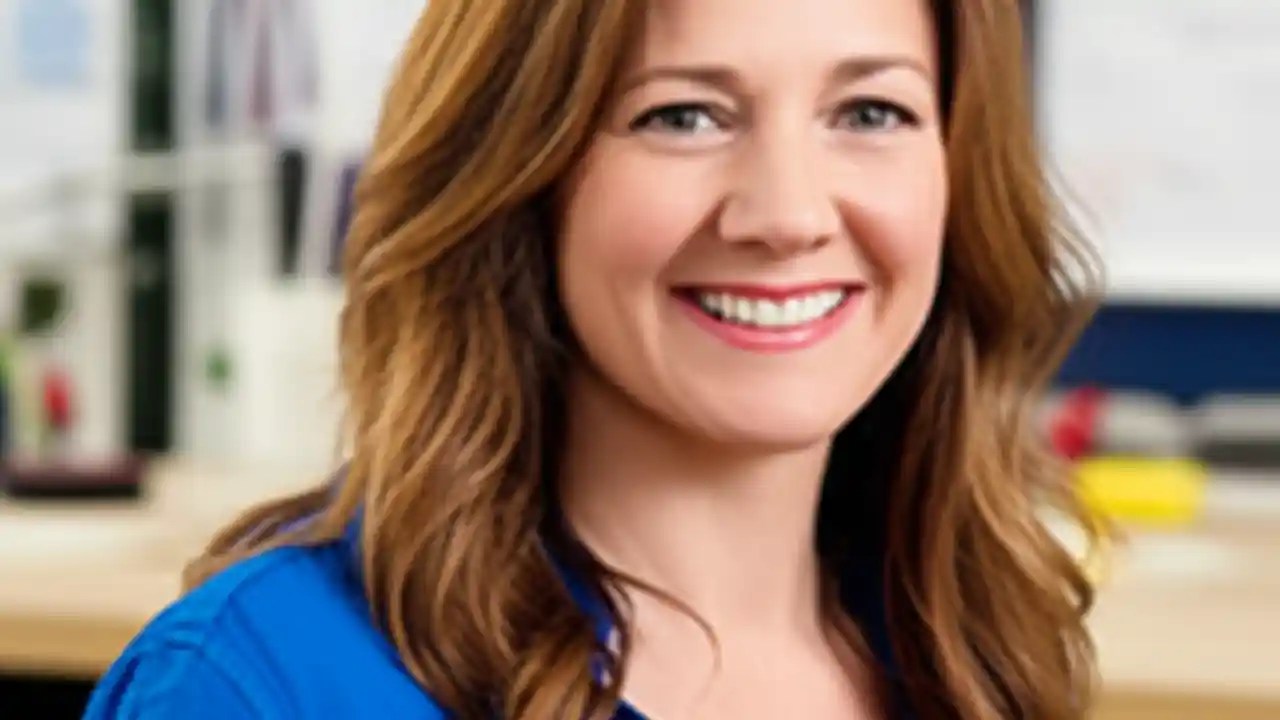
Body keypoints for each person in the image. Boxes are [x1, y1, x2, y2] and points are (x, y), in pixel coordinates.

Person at [85, 0, 1103, 717]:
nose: (787, 215)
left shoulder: (971, 654)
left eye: (868, 112)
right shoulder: (262, 684)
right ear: (520, 176)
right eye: (682, 116)